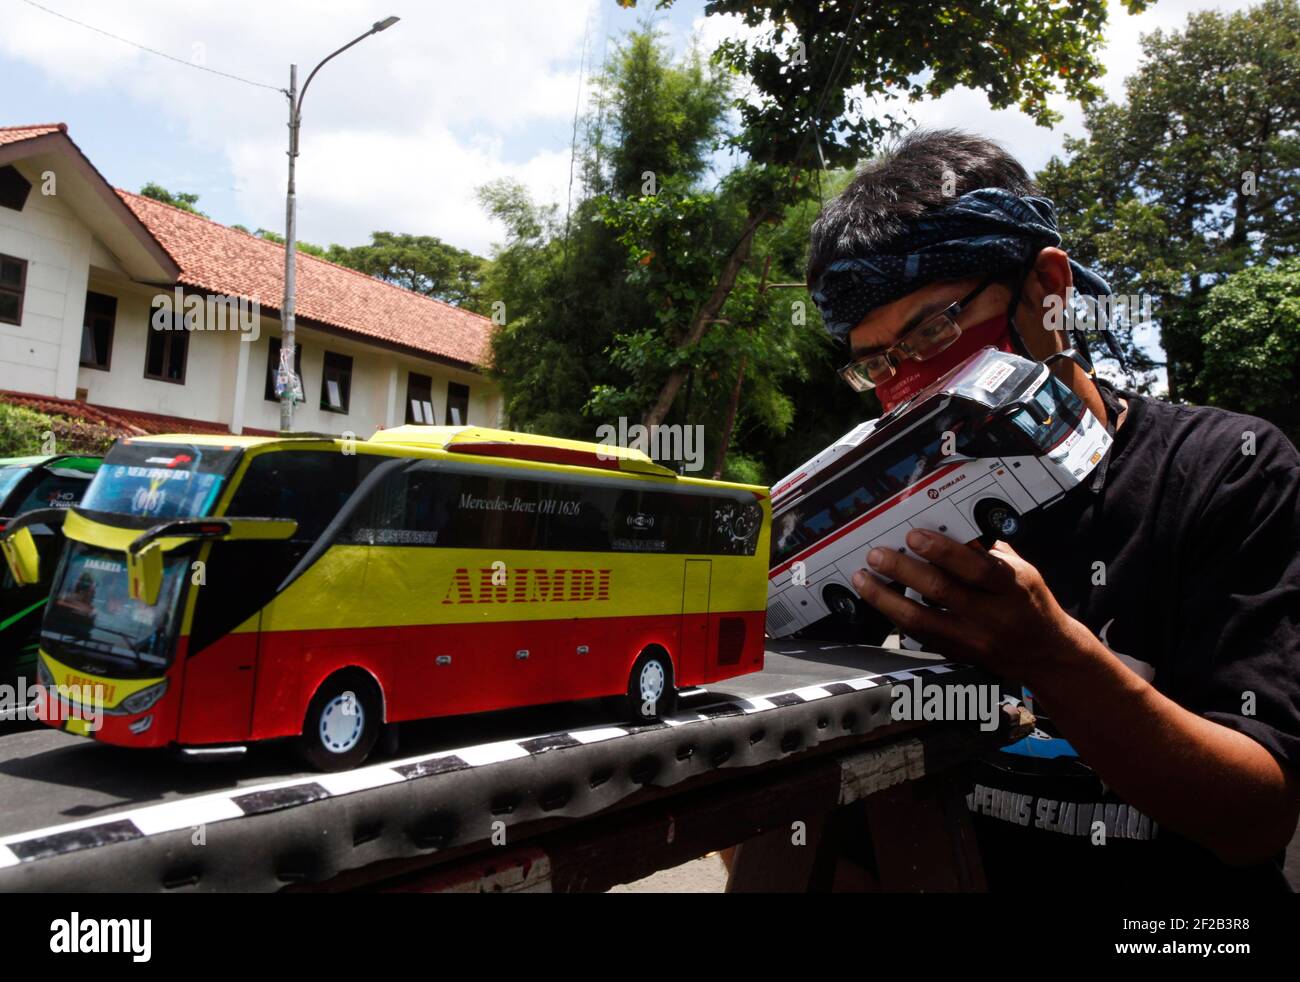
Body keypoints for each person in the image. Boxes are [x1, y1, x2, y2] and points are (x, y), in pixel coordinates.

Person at [801, 128, 1300, 890]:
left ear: (1049, 292)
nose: (909, 386)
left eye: (935, 328)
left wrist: (1052, 657)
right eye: (878, 364)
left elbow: (1257, 818)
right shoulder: (891, 508)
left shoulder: (1228, 471)